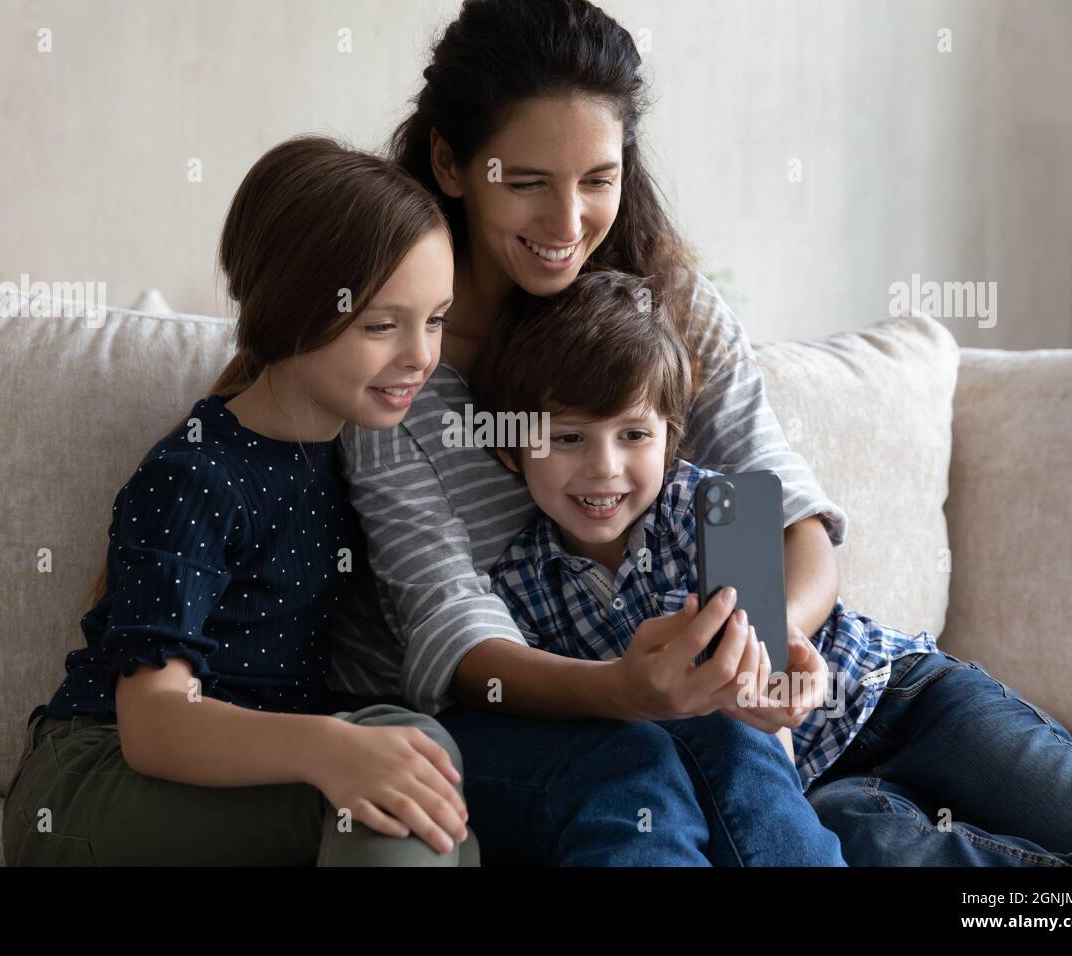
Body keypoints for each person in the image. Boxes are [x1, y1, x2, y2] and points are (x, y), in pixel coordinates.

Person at [330, 0, 847, 865]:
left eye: (597, 180)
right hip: (487, 724)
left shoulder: (666, 310)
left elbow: (779, 504)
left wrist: (759, 649)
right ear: (451, 164)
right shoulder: (395, 366)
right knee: (633, 760)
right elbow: (447, 618)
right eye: (527, 182)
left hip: (698, 711)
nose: (568, 225)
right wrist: (623, 689)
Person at [479, 270, 1072, 868]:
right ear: (513, 451)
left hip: (905, 698)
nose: (604, 467)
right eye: (567, 438)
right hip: (823, 785)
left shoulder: (707, 509)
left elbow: (778, 635)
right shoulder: (518, 589)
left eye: (633, 435)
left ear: (669, 436)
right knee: (871, 841)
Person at [3, 136, 476, 866]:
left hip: (244, 779)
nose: (420, 354)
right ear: (289, 312)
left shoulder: (358, 459)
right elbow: (155, 723)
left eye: (436, 319)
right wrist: (330, 747)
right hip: (89, 785)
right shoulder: (196, 475)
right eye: (383, 324)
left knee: (417, 757)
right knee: (391, 797)